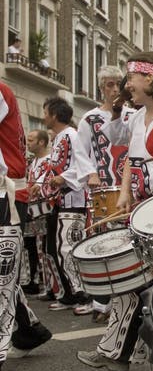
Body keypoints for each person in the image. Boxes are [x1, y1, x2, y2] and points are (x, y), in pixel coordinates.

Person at [76, 52, 153, 371]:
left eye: (132, 77)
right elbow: (130, 158)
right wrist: (126, 191)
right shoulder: (137, 117)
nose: (127, 84)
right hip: (145, 212)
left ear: (150, 78)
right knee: (128, 283)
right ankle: (116, 352)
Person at [0, 82, 51, 371]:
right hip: (7, 193)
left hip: (4, 193)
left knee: (2, 273)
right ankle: (29, 329)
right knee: (4, 272)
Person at [74, 66, 132, 321]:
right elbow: (80, 152)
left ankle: (127, 299)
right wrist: (91, 174)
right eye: (109, 84)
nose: (115, 88)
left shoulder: (131, 114)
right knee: (106, 242)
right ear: (101, 88)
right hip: (104, 188)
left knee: (130, 241)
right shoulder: (90, 118)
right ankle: (102, 303)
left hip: (130, 185)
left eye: (118, 83)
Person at [37, 98, 94, 311]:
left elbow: (85, 161)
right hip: (63, 199)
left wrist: (64, 178)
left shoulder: (72, 135)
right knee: (61, 248)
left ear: (53, 114)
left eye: (45, 112)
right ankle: (72, 293)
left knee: (70, 246)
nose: (43, 117)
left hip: (75, 199)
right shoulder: (61, 137)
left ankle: (86, 295)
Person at [22, 129, 52, 295]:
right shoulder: (32, 162)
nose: (28, 143)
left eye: (31, 140)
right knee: (32, 247)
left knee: (43, 247)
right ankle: (36, 281)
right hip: (31, 209)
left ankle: (48, 284)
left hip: (43, 209)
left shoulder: (49, 160)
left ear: (41, 142)